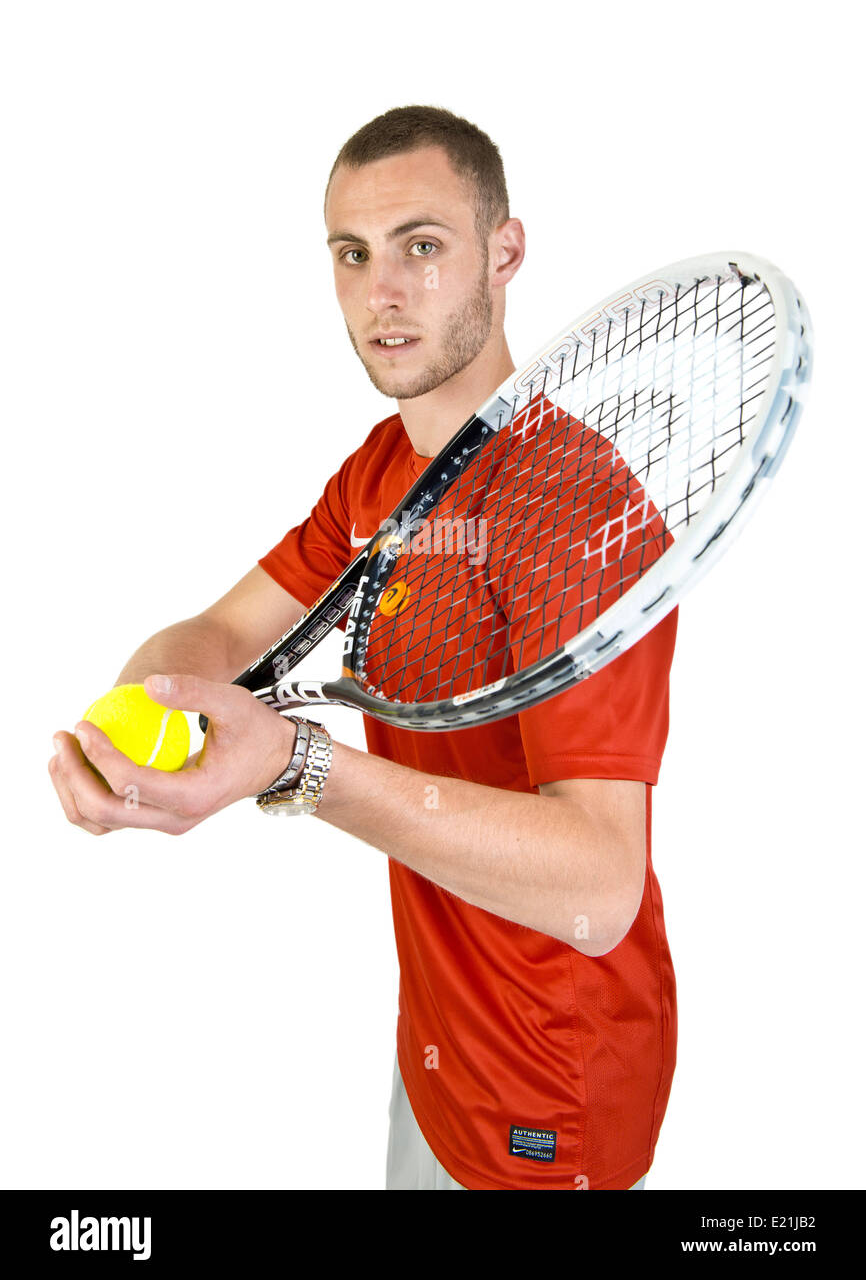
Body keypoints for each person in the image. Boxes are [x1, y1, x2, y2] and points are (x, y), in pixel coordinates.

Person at [49, 105, 677, 1191]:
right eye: (352, 254)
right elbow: (226, 629)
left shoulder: (574, 508)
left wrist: (298, 765)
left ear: (504, 253)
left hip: (549, 1081)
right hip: (438, 1034)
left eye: (420, 246)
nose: (381, 291)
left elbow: (601, 881)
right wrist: (135, 719)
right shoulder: (383, 471)